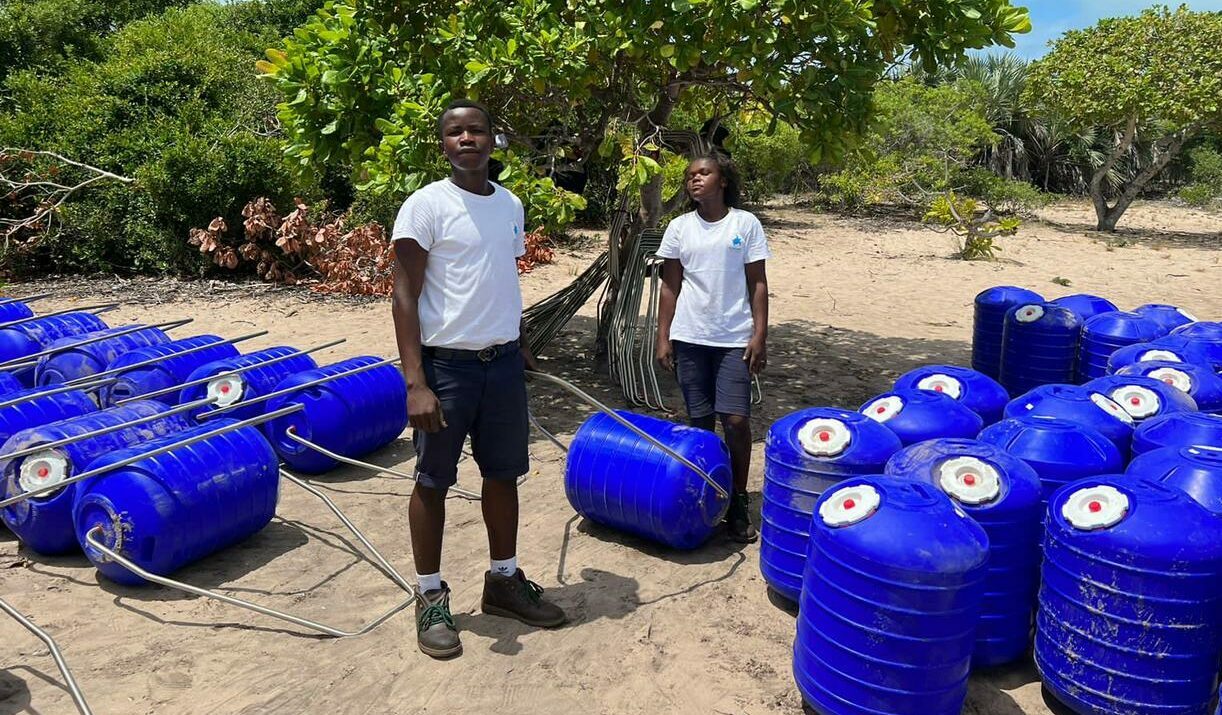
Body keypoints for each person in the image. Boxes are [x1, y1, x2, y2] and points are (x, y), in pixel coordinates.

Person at [390, 98, 566, 660]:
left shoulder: (509, 204)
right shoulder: (425, 206)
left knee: (504, 475)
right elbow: (403, 295)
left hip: (502, 365)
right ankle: (430, 595)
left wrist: (519, 340)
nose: (467, 139)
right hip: (446, 369)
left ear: (494, 141)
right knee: (433, 480)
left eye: (477, 130)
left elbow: (496, 279)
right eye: (455, 133)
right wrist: (415, 382)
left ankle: (503, 582)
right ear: (442, 144)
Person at [655, 152, 770, 544]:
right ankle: (707, 494)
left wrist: (759, 335)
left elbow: (758, 283)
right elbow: (670, 285)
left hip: (734, 338)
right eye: (690, 175)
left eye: (704, 173)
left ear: (723, 180)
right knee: (700, 422)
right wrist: (663, 335)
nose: (695, 179)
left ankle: (738, 499)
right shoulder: (679, 228)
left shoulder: (745, 224)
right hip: (690, 337)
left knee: (736, 421)